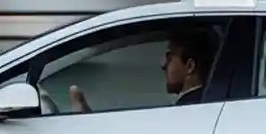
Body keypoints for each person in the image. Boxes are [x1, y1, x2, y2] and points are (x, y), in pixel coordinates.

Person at [69, 27, 218, 113]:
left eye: (169, 57)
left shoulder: (187, 112)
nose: (163, 65)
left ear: (190, 66)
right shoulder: (202, 106)